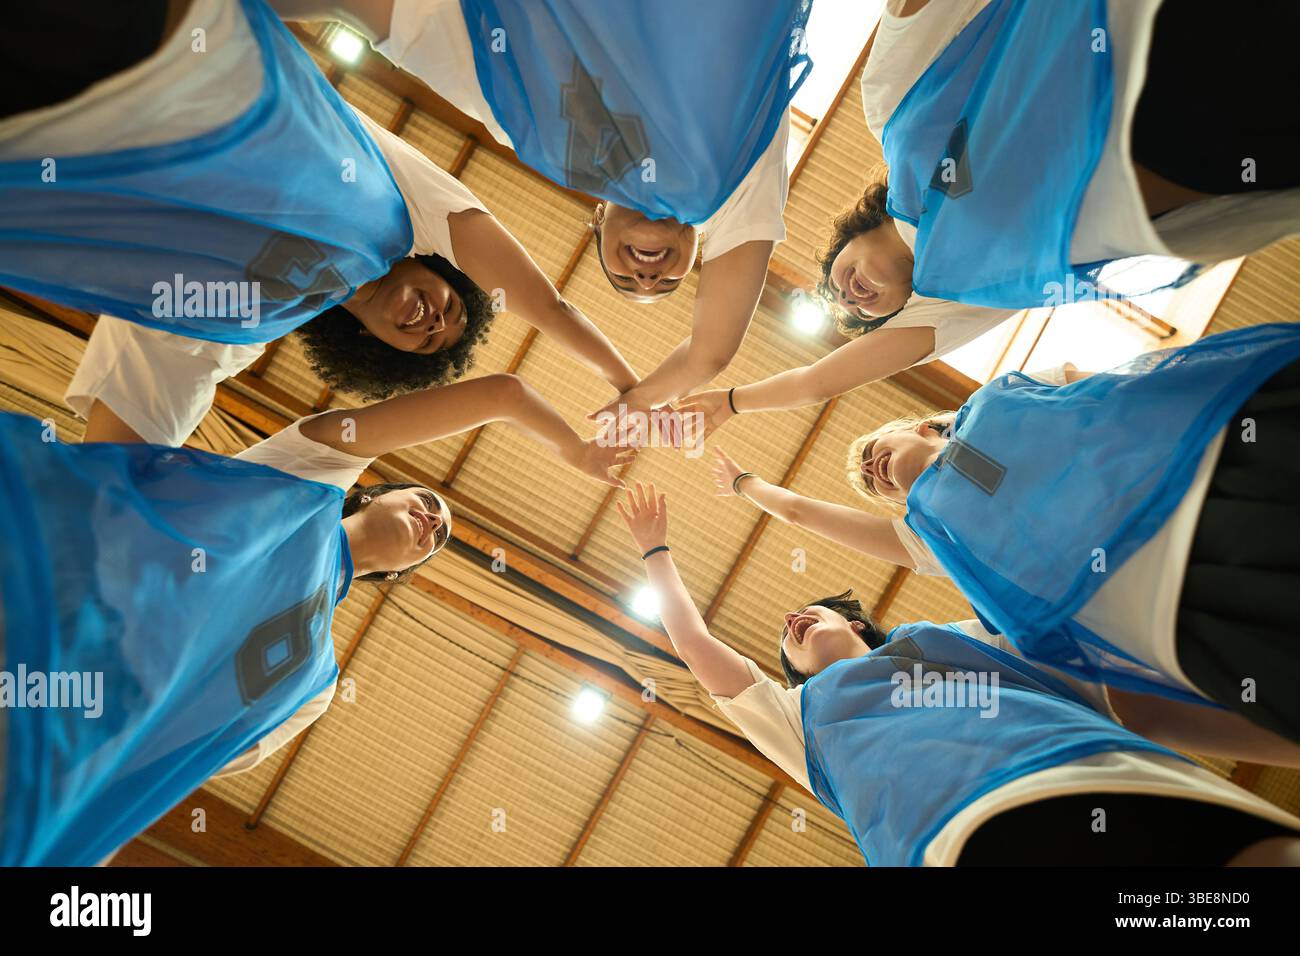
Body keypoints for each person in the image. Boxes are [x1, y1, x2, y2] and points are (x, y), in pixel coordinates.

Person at [1, 0, 638, 447]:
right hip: (164, 53)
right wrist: (629, 385)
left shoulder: (245, 329)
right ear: (442, 268)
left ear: (383, 355)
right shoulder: (408, 207)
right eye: (454, 311)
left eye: (428, 343)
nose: (437, 323)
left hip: (46, 156)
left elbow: (137, 425)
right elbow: (549, 308)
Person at [613, 481, 1300, 866]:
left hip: (1091, 768)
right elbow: (696, 644)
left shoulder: (947, 639)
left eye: (807, 613)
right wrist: (655, 550)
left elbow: (1054, 629)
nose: (794, 622)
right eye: (785, 639)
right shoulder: (796, 719)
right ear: (787, 674)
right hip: (950, 838)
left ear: (855, 623)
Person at [707, 323, 1300, 766]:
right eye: (872, 483)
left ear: (911, 424)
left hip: (1193, 473)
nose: (873, 469)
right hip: (1166, 591)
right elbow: (801, 512)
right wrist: (743, 484)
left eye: (871, 453)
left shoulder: (1003, 396)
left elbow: (1118, 388)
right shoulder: (935, 534)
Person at [273, 0, 811, 418]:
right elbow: (710, 355)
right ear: (705, 247)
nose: (647, 277)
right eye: (665, 282)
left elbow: (400, 16)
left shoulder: (522, 117)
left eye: (627, 281)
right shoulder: (741, 185)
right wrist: (638, 401)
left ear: (600, 224)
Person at [830, 0, 1300, 313]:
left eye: (831, 287)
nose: (848, 301)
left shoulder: (888, 108)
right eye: (857, 318)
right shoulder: (991, 288)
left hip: (1156, 41)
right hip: (1221, 166)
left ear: (846, 237)